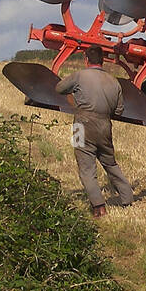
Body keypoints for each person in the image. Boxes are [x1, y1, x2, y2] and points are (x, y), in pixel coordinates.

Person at [54, 47, 134, 217]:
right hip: (105, 124)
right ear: (102, 60)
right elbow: (119, 110)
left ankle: (99, 206)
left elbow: (59, 88)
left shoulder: (79, 76)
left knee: (85, 167)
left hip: (81, 124)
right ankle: (127, 198)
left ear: (86, 59)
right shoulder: (113, 81)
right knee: (110, 162)